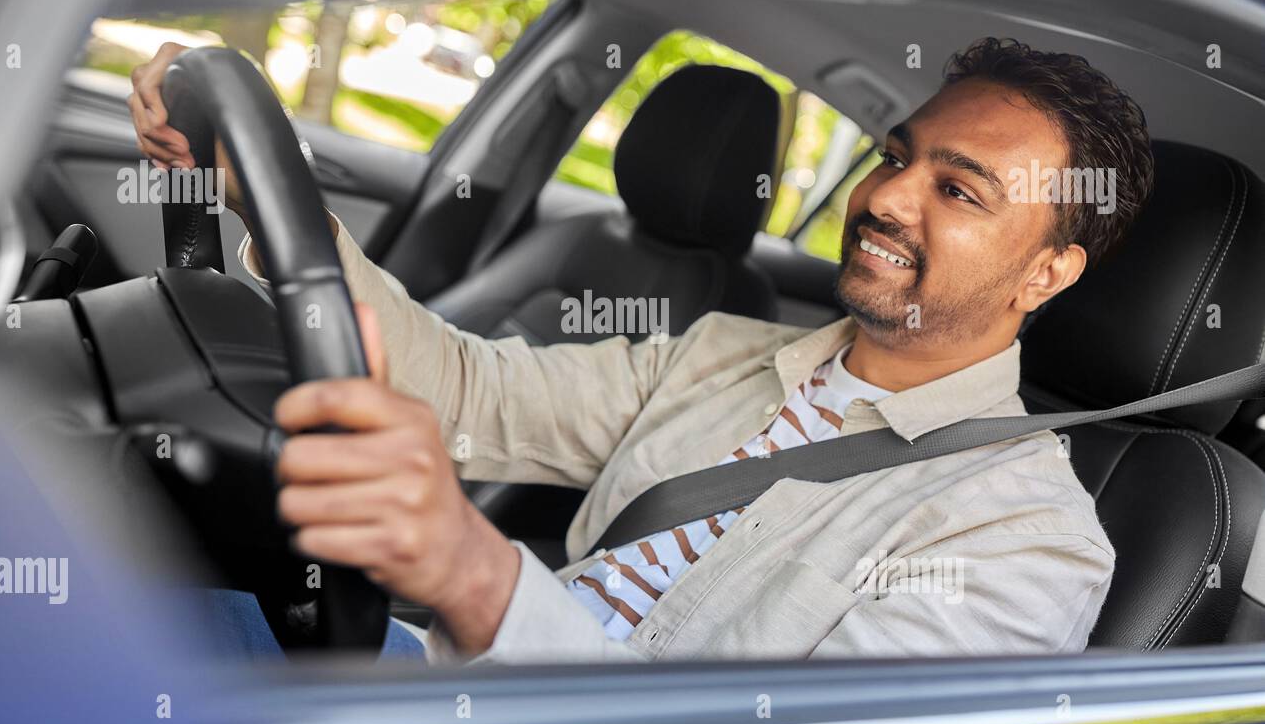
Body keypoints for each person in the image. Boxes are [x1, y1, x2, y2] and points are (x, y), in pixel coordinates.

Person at [127, 36, 1154, 665]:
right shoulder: (719, 353)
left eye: (958, 189)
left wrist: (479, 578)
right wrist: (256, 182)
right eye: (896, 156)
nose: (883, 197)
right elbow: (463, 387)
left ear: (1045, 274)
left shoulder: (1032, 539)